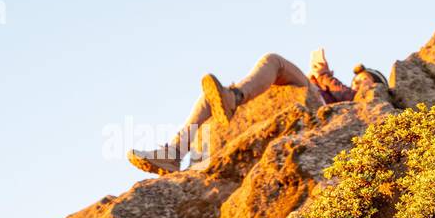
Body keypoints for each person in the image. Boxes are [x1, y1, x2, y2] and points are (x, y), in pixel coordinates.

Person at [126, 49, 353, 175]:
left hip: (318, 101)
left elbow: (349, 101)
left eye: (367, 78)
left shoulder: (362, 96)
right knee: (211, 97)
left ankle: (234, 97)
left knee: (273, 60)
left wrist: (323, 74)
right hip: (305, 90)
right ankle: (174, 152)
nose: (361, 81)